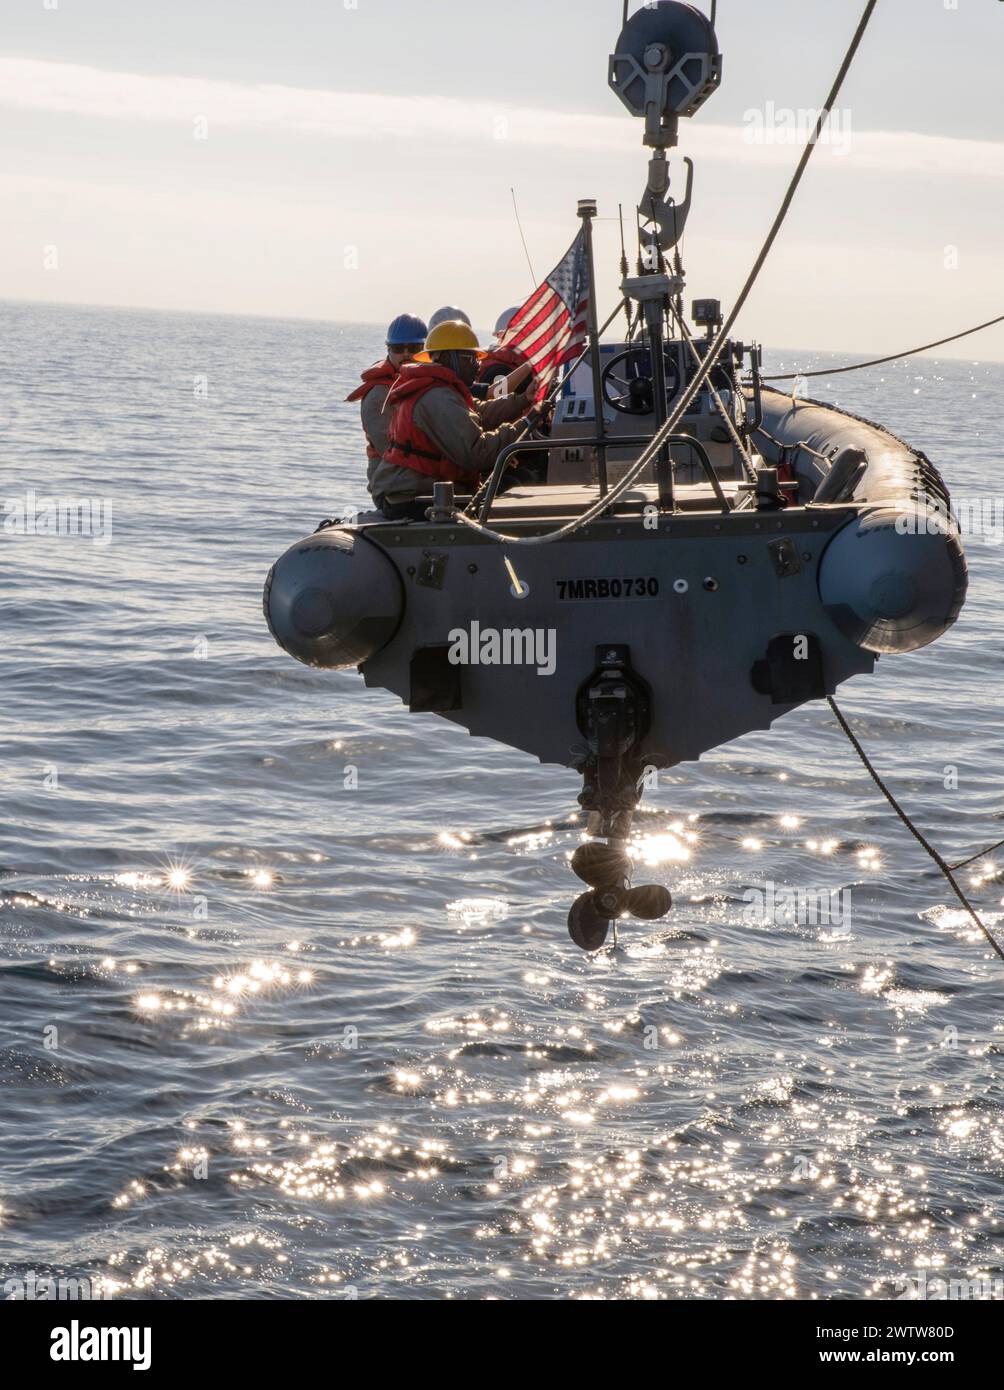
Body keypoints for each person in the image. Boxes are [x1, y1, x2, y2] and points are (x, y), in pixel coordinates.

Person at [369, 320, 543, 518]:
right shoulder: (437, 397)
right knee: (515, 485)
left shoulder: (442, 390)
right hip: (412, 497)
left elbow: (480, 413)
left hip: (416, 490)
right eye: (470, 359)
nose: (477, 367)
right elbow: (476, 453)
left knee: (513, 483)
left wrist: (523, 400)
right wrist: (526, 423)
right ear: (446, 357)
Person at [346, 314, 427, 490]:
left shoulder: (422, 383)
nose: (406, 353)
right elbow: (390, 451)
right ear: (388, 350)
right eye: (398, 348)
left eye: (413, 347)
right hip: (392, 478)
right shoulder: (379, 394)